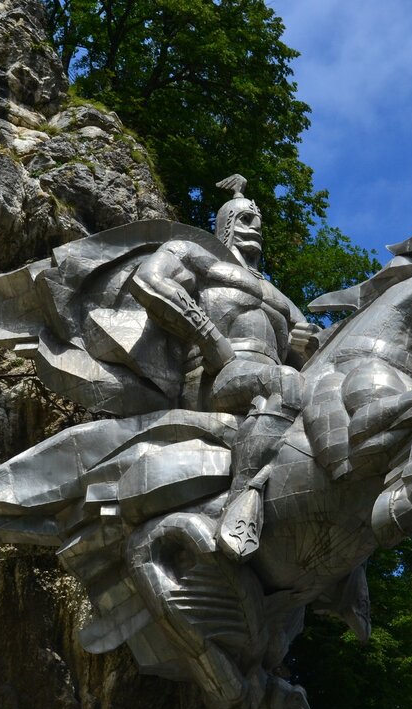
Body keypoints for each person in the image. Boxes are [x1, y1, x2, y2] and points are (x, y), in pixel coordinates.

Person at [129, 174, 320, 560]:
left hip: (272, 379)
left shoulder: (281, 299)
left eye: (260, 222)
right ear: (227, 225)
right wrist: (210, 338)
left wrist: (307, 345)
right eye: (247, 220)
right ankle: (243, 501)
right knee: (283, 381)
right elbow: (149, 280)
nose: (257, 228)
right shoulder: (196, 256)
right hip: (214, 378)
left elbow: (310, 356)